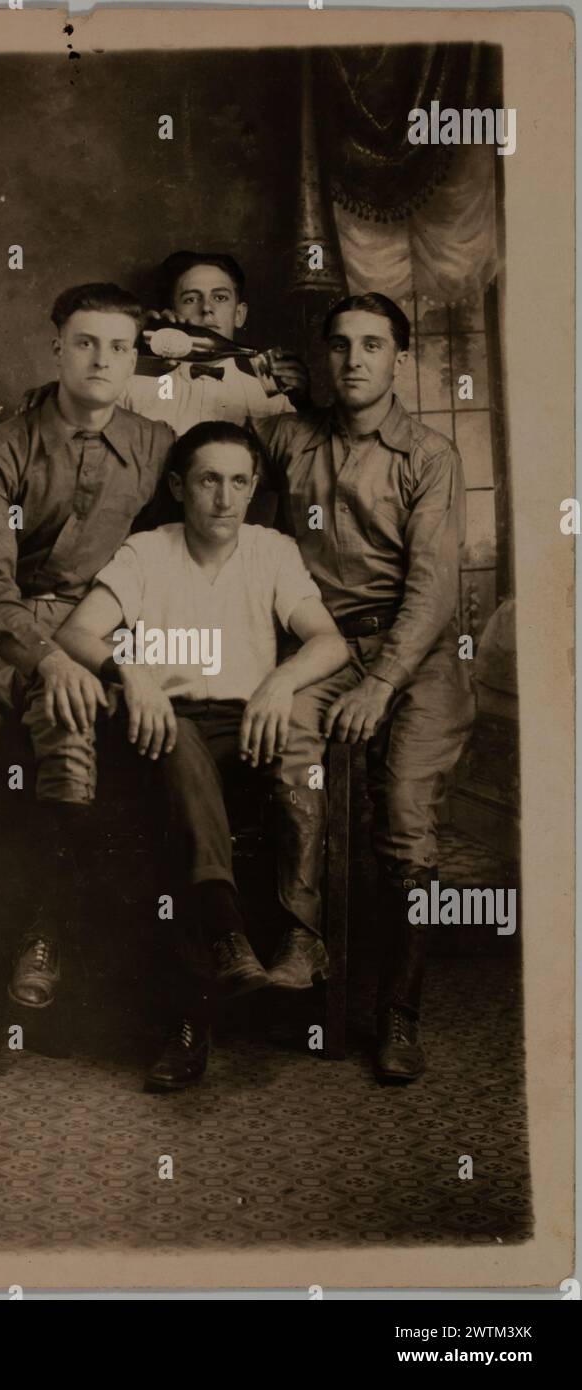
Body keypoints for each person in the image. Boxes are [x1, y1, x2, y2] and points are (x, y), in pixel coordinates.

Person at [0, 283, 174, 1075]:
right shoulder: (2, 449)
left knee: (73, 770)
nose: (102, 360)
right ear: (57, 347)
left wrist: (111, 655)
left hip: (89, 636)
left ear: (136, 357)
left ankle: (45, 941)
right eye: (85, 342)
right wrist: (52, 656)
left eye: (119, 346)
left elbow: (181, 547)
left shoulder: (157, 444)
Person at [57, 421, 349, 1092]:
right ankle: (220, 940)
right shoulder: (147, 551)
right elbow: (75, 631)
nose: (223, 497)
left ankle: (196, 1008)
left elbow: (329, 643)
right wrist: (130, 672)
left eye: (238, 481)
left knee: (186, 821)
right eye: (208, 480)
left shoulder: (271, 550)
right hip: (167, 729)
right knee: (176, 762)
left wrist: (279, 680)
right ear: (178, 487)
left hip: (249, 732)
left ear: (253, 490)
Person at [254, 292, 477, 1083]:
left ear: (398, 360)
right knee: (284, 750)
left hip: (412, 654)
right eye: (341, 345)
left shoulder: (427, 455)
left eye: (372, 346)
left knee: (406, 824)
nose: (354, 360)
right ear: (322, 357)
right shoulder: (287, 437)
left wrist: (381, 683)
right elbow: (184, 442)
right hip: (320, 648)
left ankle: (399, 1013)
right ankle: (302, 935)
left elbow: (431, 591)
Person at [118, 251, 310, 435]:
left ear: (239, 315)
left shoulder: (275, 402)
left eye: (220, 297)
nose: (207, 308)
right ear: (172, 314)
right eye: (191, 299)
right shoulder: (132, 389)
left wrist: (305, 404)